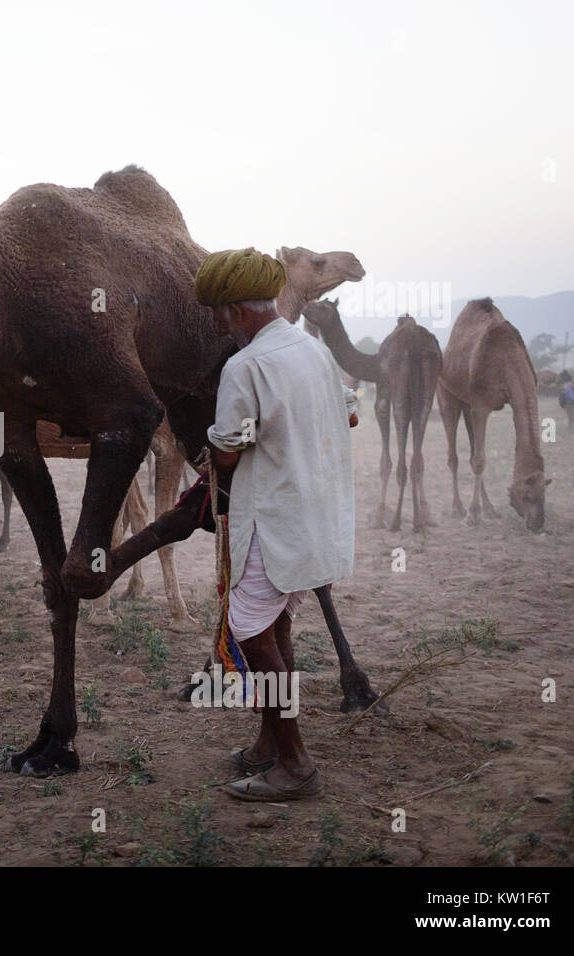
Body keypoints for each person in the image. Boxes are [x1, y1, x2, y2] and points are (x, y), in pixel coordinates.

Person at [194, 247, 358, 802]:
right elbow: (349, 408)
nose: (220, 326)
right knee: (277, 625)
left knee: (250, 631)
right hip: (314, 519)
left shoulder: (245, 366)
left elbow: (231, 451)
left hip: (271, 518)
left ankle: (294, 762)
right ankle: (269, 743)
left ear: (236, 312)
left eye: (220, 315)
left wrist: (212, 451)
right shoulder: (312, 350)